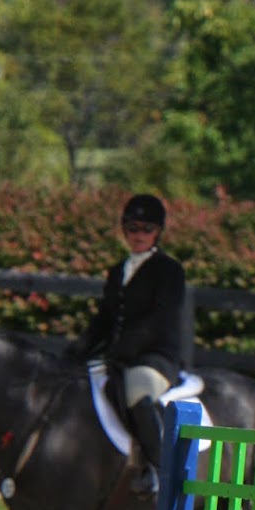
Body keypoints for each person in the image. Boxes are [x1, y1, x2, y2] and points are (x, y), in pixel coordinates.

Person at [79, 193, 187, 488]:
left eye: (146, 229)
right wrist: (79, 349)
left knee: (137, 392)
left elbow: (158, 320)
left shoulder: (169, 271)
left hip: (156, 358)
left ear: (158, 233)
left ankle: (159, 470)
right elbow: (105, 318)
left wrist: (120, 350)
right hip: (120, 357)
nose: (139, 235)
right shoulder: (118, 271)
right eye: (132, 228)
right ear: (124, 230)